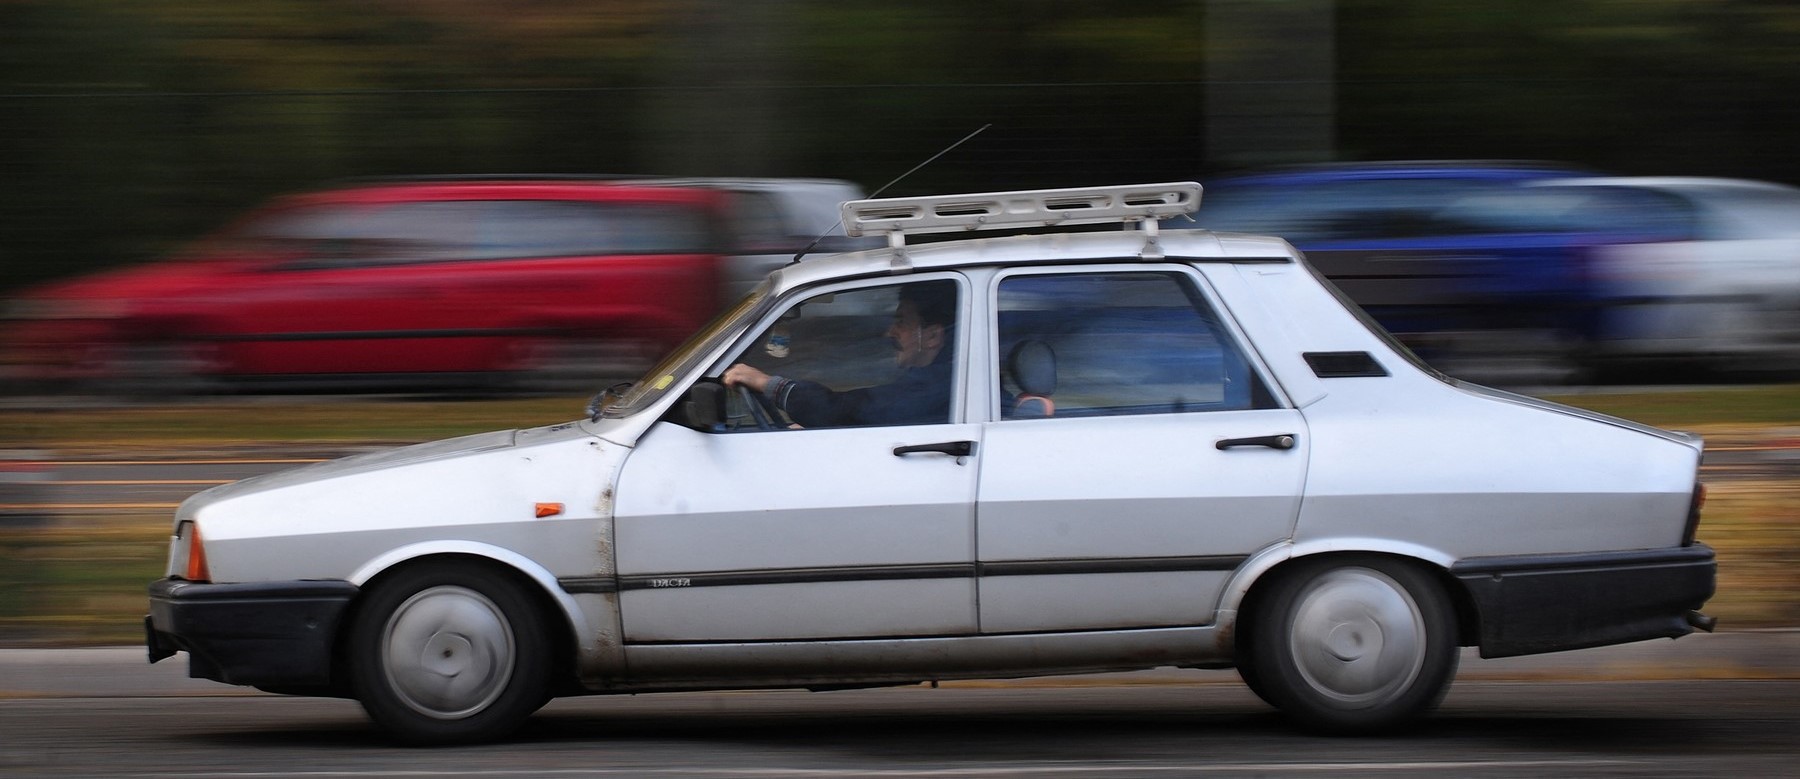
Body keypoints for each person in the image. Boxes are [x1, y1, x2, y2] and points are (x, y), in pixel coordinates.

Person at [722, 282, 955, 428]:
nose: (890, 332)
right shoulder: (939, 378)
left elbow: (853, 409)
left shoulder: (933, 386)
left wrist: (767, 384)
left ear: (933, 337)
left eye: (902, 322)